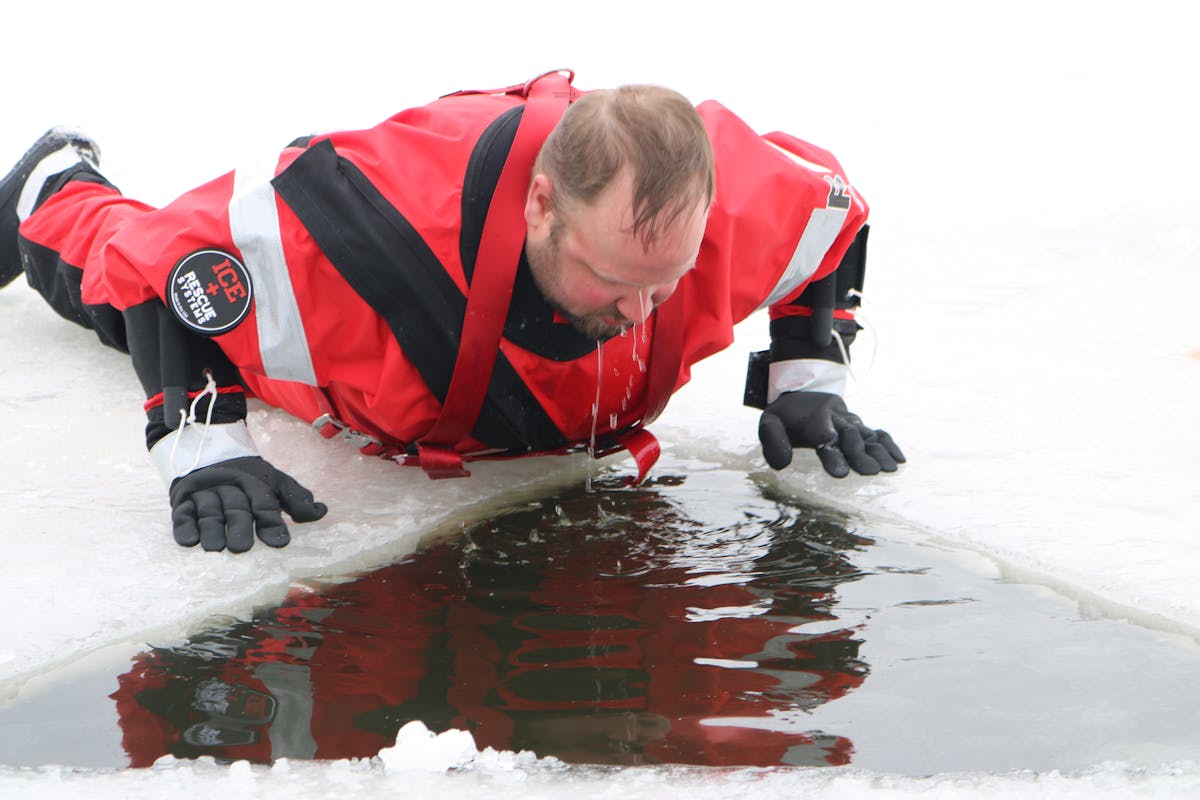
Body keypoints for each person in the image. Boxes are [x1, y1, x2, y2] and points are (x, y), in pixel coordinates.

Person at [0, 70, 904, 554]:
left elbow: (827, 211)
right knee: (116, 288)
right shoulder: (362, 231)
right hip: (384, 350)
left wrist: (807, 378)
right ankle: (52, 183)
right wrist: (201, 446)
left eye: (662, 284)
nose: (638, 312)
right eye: (612, 278)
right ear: (542, 206)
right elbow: (165, 266)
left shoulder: (717, 212)